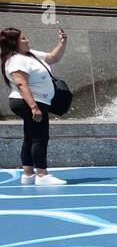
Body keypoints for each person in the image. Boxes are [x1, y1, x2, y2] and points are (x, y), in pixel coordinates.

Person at [2, 26, 68, 186]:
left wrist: (62, 42)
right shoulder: (17, 60)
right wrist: (33, 107)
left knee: (30, 137)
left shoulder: (30, 54)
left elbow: (52, 57)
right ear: (14, 43)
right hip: (29, 102)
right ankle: (42, 174)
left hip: (35, 101)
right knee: (40, 138)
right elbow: (21, 84)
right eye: (23, 39)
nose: (27, 40)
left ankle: (28, 174)